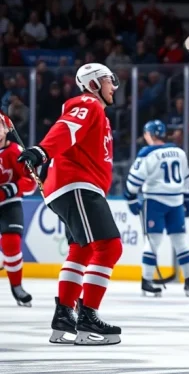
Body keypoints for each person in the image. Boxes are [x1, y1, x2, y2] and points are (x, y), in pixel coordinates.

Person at [18, 63, 123, 345]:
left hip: (72, 186)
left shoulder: (94, 109)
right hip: (77, 184)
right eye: (108, 80)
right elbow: (67, 128)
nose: (114, 86)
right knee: (109, 246)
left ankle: (63, 318)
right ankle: (88, 318)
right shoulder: (87, 102)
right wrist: (41, 151)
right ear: (92, 84)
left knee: (82, 247)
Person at [124, 120, 189, 298]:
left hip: (155, 203)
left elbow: (133, 182)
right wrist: (187, 201)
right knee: (181, 242)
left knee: (153, 242)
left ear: (149, 135)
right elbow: (187, 180)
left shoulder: (147, 153)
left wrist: (130, 198)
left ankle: (147, 281)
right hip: (176, 202)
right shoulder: (179, 152)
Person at [0, 113, 36, 306]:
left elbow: (31, 181)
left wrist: (14, 188)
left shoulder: (15, 151)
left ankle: (17, 287)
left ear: (6, 129)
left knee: (12, 242)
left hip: (8, 203)